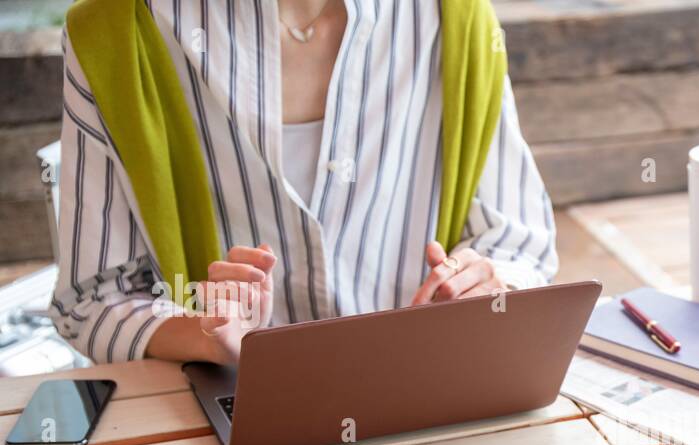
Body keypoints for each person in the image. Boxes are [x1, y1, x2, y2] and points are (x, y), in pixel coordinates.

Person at [52, 0, 557, 366]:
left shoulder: (456, 18)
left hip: (433, 400)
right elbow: (94, 298)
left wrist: (487, 286)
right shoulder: (118, 30)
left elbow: (517, 245)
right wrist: (207, 337)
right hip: (224, 424)